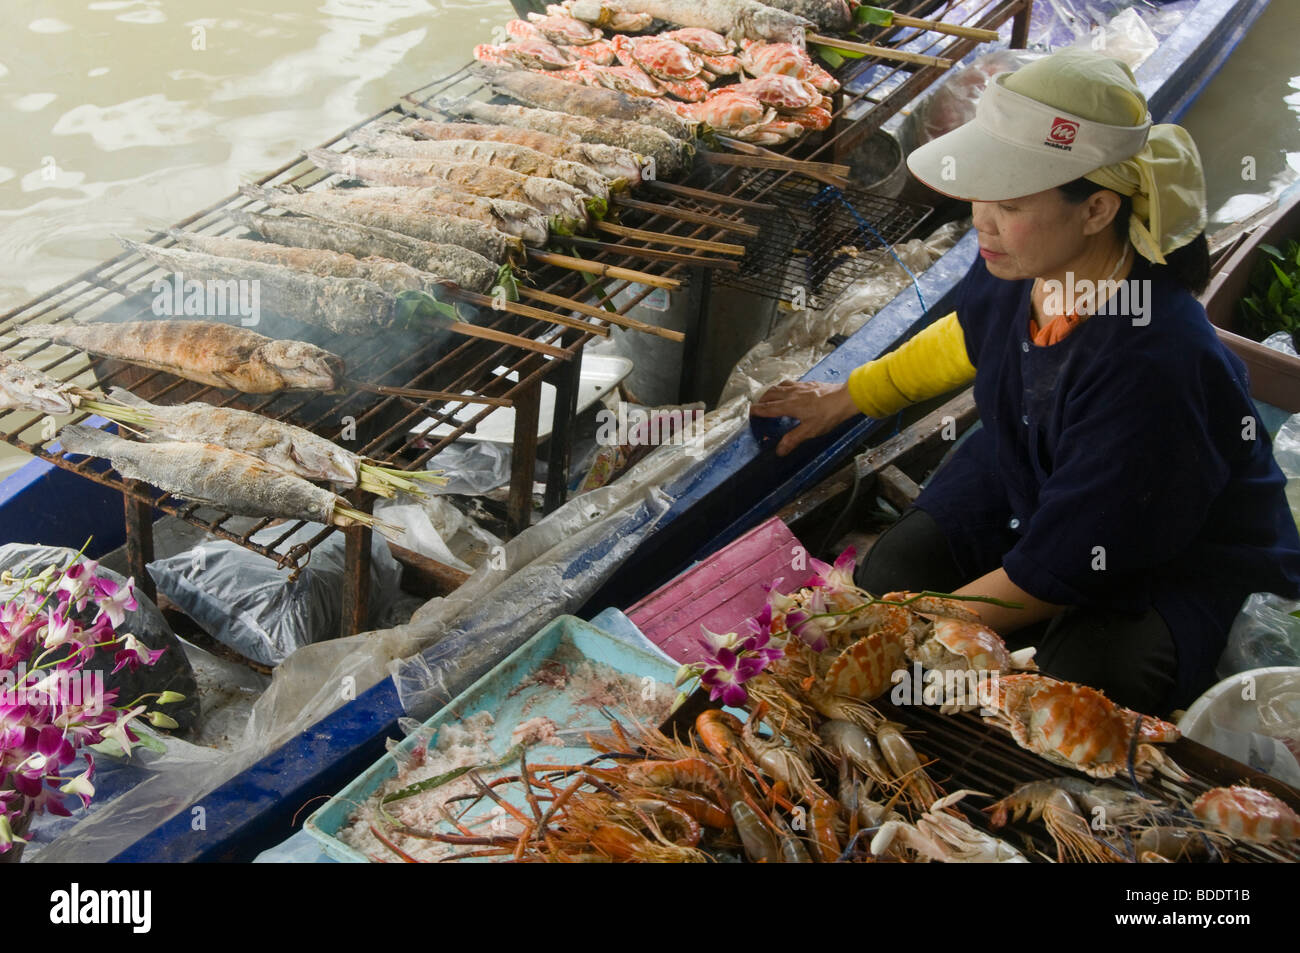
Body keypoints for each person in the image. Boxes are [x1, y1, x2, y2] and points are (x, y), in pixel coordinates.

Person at [751, 49, 1300, 715]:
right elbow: (969, 334)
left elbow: (1065, 565)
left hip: (1159, 539)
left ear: (1097, 209)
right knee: (890, 572)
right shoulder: (1024, 255)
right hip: (1033, 455)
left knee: (1077, 684)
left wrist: (909, 630)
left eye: (1009, 201)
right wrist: (847, 396)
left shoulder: (1154, 369)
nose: (981, 218)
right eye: (981, 189)